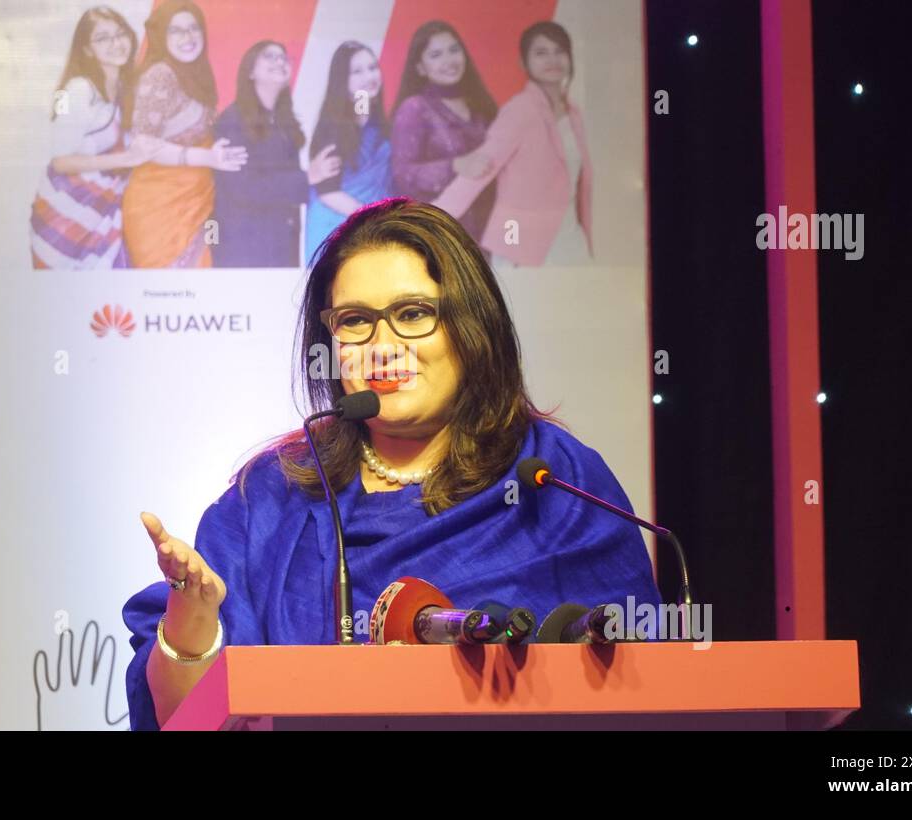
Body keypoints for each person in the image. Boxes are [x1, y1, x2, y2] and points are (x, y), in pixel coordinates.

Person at [122, 198, 660, 730]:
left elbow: (646, 685)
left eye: (412, 314)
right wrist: (191, 624)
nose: (383, 346)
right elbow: (181, 720)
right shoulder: (273, 495)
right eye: (355, 321)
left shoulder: (553, 479)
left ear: (471, 327)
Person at [433, 21, 593, 267]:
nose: (552, 59)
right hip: (521, 244)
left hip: (570, 238)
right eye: (541, 52)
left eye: (559, 51)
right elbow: (481, 167)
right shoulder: (520, 110)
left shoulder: (575, 115)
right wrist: (432, 218)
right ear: (524, 62)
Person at [121, 0, 247, 268]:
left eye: (193, 28)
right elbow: (143, 143)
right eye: (176, 31)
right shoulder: (160, 74)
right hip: (158, 207)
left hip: (194, 201)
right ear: (161, 37)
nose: (188, 37)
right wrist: (206, 157)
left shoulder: (194, 73)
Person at [30, 7, 154, 269]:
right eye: (103, 38)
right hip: (67, 214)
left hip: (107, 211)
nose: (116, 43)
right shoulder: (78, 89)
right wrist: (126, 158)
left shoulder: (127, 86)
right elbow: (61, 162)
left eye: (120, 34)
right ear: (87, 49)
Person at [211, 40, 340, 268]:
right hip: (244, 246)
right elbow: (242, 187)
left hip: (281, 242)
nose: (279, 61)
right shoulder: (233, 120)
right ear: (250, 71)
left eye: (283, 57)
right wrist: (307, 177)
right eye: (269, 56)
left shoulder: (283, 121)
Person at [389, 21, 498, 247]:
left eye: (454, 50)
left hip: (489, 234)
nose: (449, 61)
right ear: (420, 67)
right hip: (440, 236)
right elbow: (402, 174)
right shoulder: (415, 108)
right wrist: (455, 166)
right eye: (436, 54)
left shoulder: (481, 106)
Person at [303, 41, 391, 264]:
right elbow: (327, 191)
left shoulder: (378, 121)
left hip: (371, 227)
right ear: (342, 80)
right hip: (335, 226)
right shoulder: (332, 126)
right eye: (357, 71)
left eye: (372, 68)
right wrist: (370, 216)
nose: (369, 76)